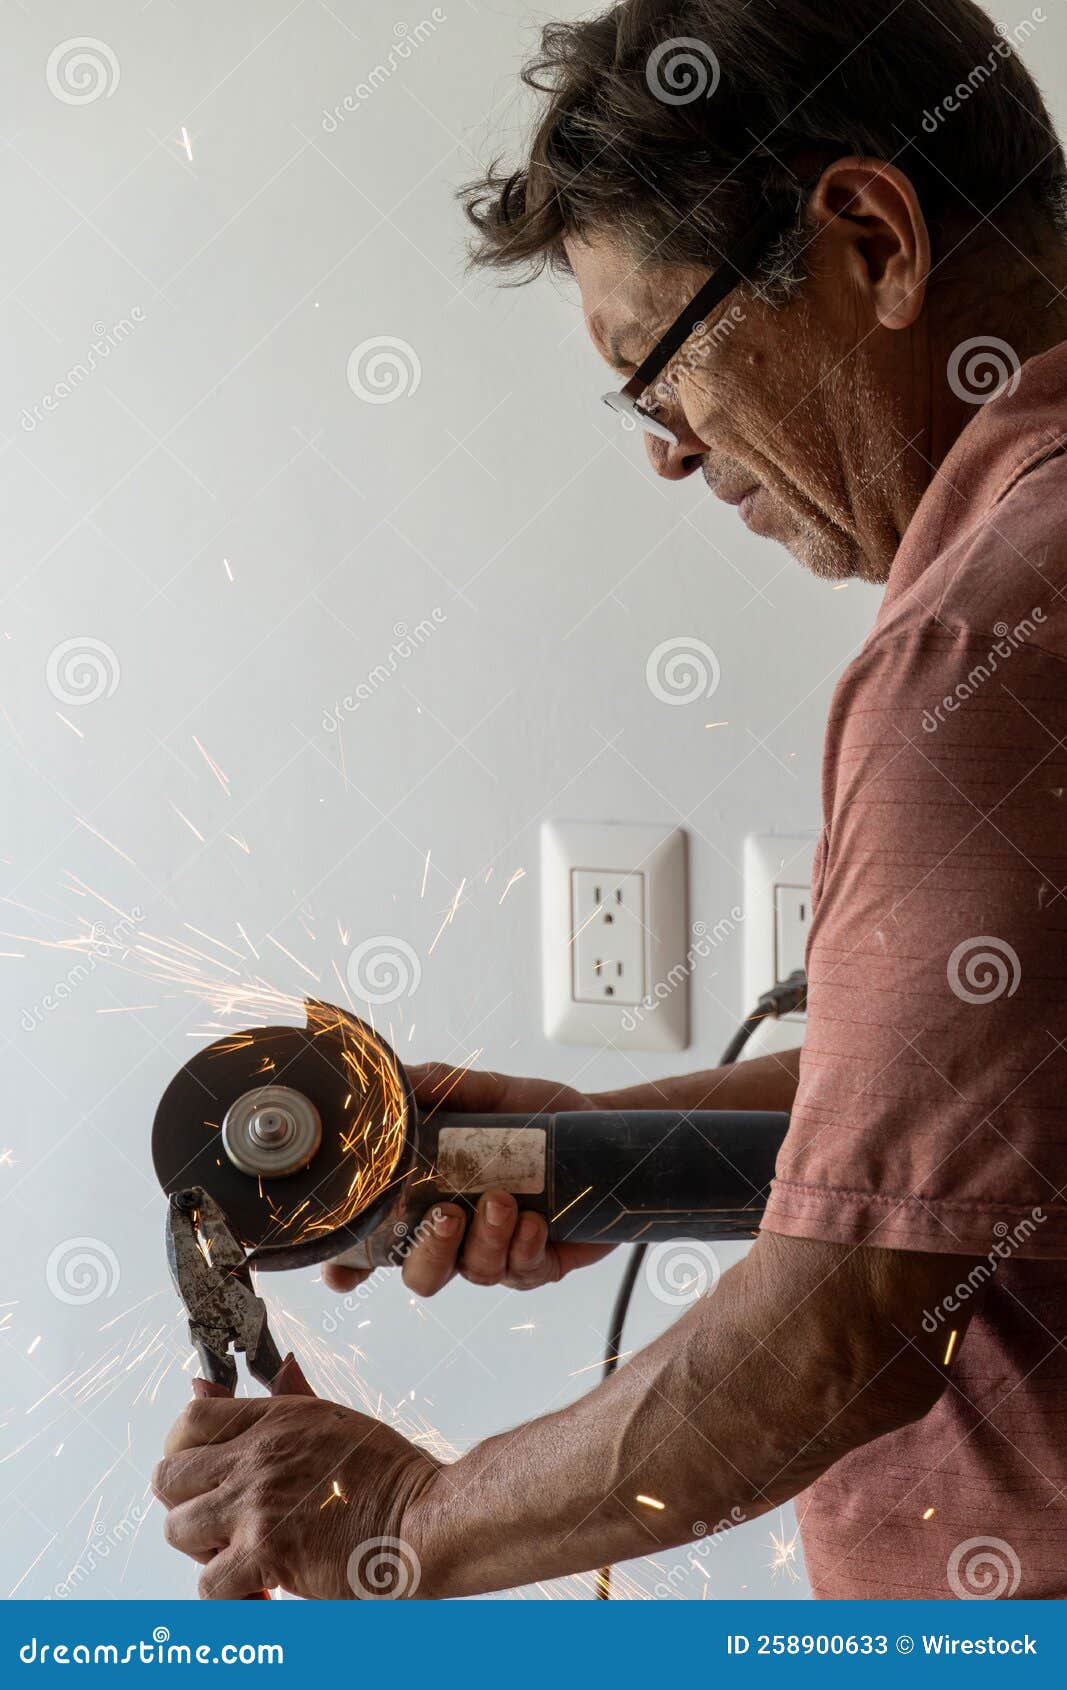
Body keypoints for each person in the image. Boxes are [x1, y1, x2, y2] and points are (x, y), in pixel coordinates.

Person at [153, 0, 1067, 1599]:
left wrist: (401, 1523)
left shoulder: (985, 644)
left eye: (658, 366)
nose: (664, 452)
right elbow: (988, 1120)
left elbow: (851, 1323)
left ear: (871, 238)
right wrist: (592, 1146)